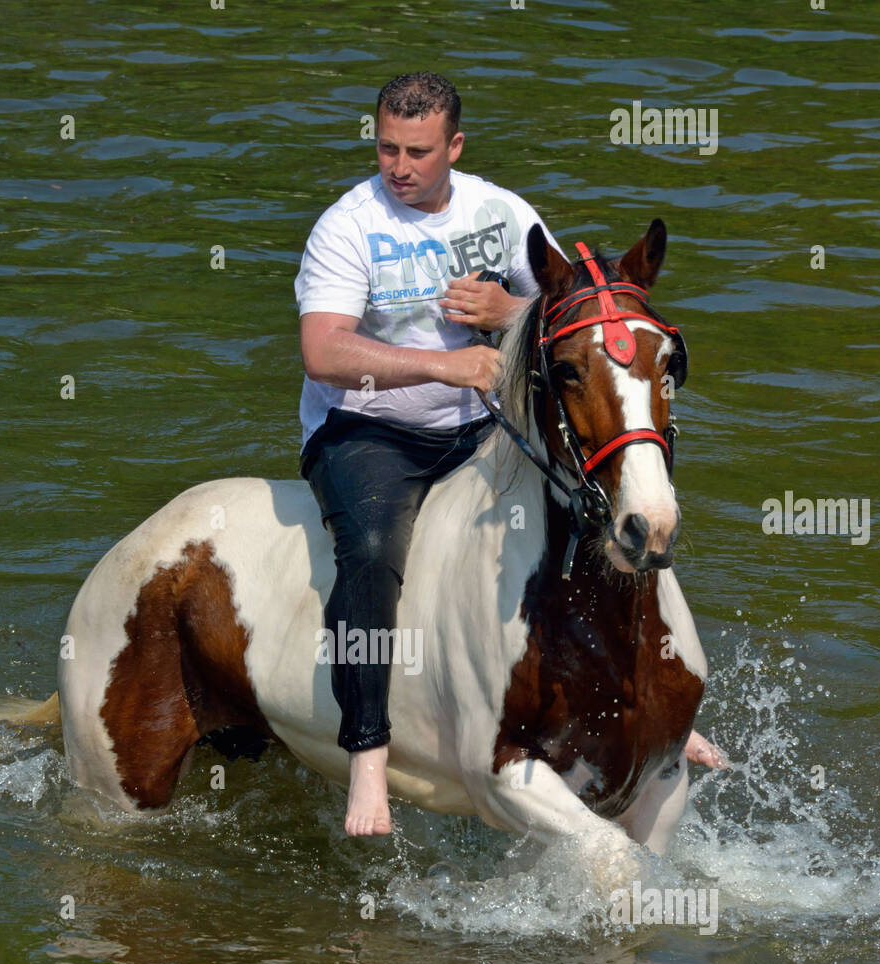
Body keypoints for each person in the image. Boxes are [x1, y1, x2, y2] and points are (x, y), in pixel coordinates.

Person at [295, 73, 725, 839]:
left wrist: (507, 311)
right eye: (387, 147)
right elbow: (323, 352)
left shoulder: (502, 212)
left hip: (481, 427)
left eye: (418, 152)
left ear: (453, 146)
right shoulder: (348, 227)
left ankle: (648, 702)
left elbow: (576, 313)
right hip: (370, 432)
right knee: (369, 547)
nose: (399, 166)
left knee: (603, 498)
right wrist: (444, 365)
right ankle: (368, 756)